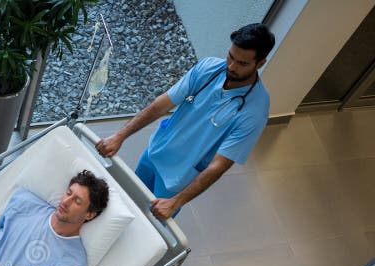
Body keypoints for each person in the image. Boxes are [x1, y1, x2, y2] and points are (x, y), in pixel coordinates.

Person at [95, 23, 275, 221]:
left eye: (242, 64)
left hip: (177, 178)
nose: (231, 67)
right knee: (128, 201)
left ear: (260, 63)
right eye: (230, 57)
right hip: (155, 152)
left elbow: (219, 165)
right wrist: (120, 136)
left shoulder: (255, 111)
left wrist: (175, 202)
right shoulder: (208, 68)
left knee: (151, 223)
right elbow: (162, 104)